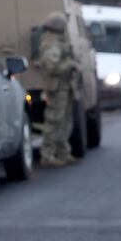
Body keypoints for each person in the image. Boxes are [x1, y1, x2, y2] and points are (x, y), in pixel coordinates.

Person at [38, 12, 79, 166]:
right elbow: (51, 67)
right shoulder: (51, 43)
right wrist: (69, 64)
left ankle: (63, 152)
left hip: (65, 87)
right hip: (57, 88)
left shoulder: (59, 42)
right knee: (54, 121)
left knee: (65, 121)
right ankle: (47, 155)